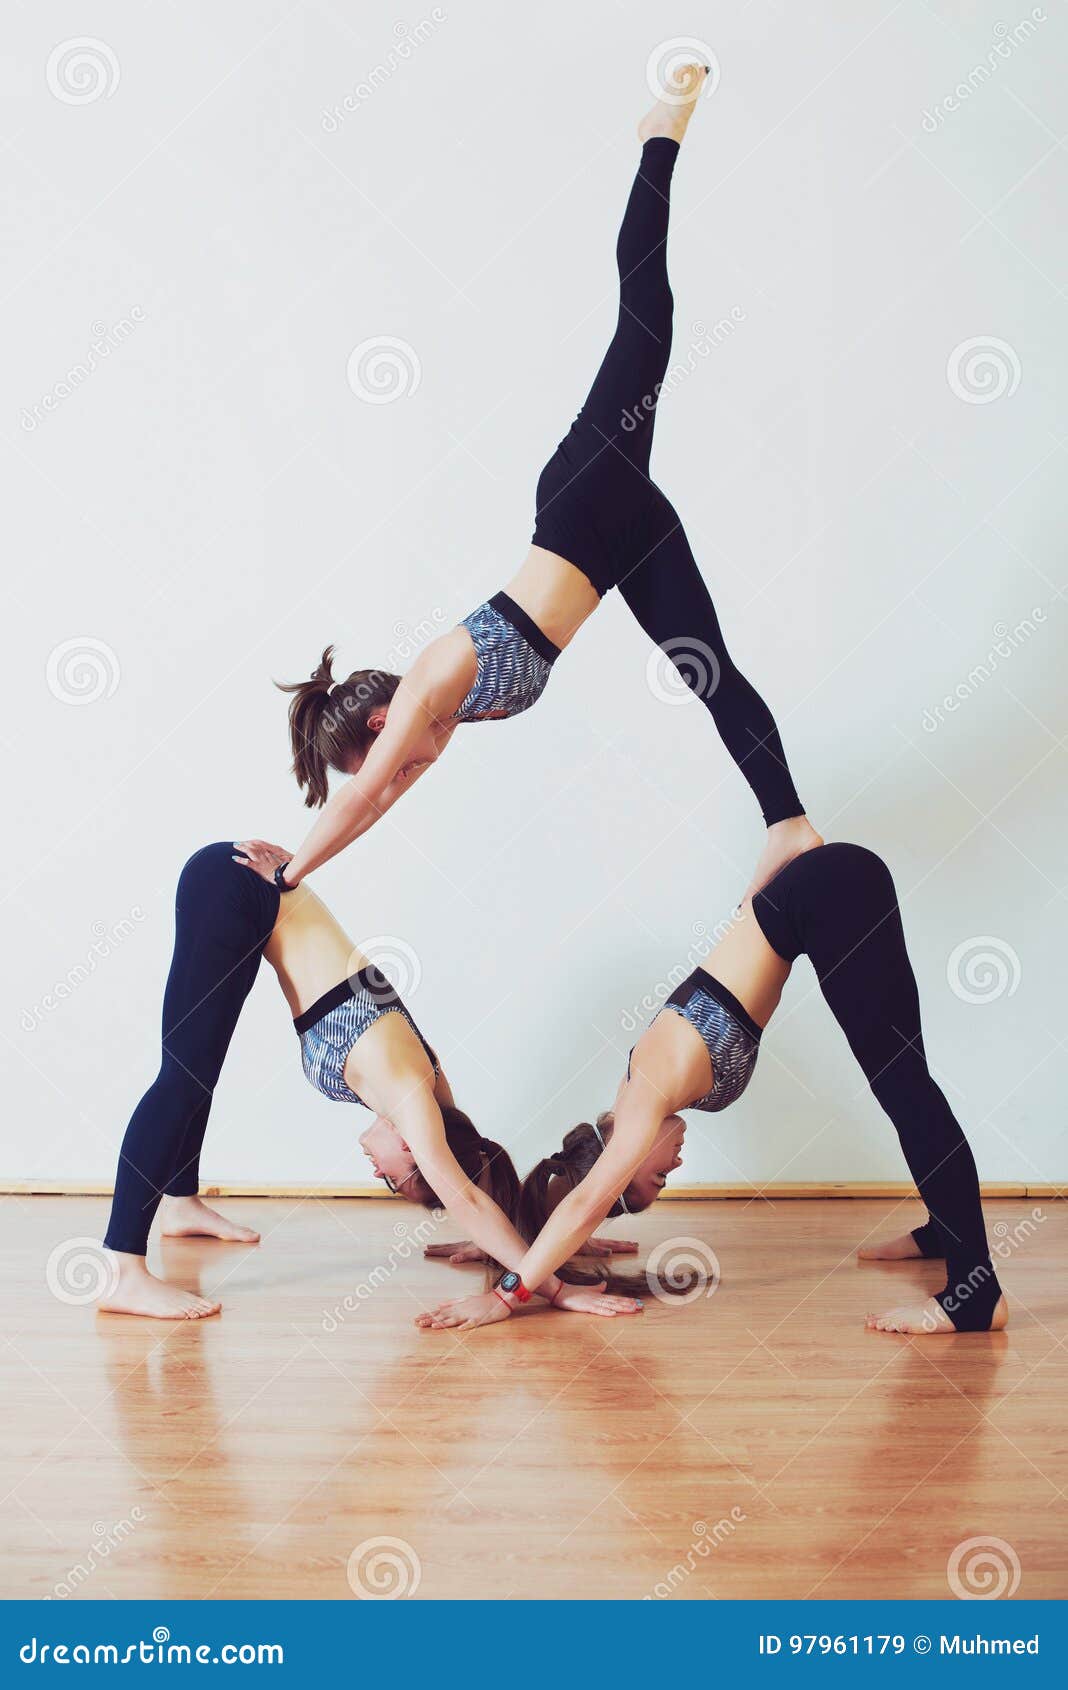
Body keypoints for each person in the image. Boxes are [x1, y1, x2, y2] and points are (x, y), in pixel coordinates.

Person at [238, 65, 820, 908]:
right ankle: (790, 826)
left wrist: (290, 870)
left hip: (585, 499)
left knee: (647, 324)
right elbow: (380, 801)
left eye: (375, 755)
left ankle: (660, 134)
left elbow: (365, 793)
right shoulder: (439, 726)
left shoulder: (435, 683)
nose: (389, 771)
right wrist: (304, 878)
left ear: (378, 725)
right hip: (620, 538)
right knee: (711, 670)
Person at [416, 844, 1007, 1337]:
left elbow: (582, 1200)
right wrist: (541, 1245)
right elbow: (580, 1205)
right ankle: (943, 1230)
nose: (671, 1169)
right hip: (825, 892)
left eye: (652, 1179)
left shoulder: (645, 1091)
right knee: (905, 1084)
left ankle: (974, 1297)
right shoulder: (646, 1089)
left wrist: (509, 1295)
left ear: (616, 1156)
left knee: (906, 1090)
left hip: (832, 891)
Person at [99, 842, 637, 1323]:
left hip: (254, 896)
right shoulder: (408, 1094)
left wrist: (513, 1250)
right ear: (414, 1148)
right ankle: (123, 1272)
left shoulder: (430, 1087)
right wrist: (556, 1289)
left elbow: (474, 1183)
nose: (378, 1170)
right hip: (237, 882)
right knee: (183, 1079)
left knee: (198, 1070)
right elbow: (466, 1199)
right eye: (393, 1178)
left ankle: (179, 1202)